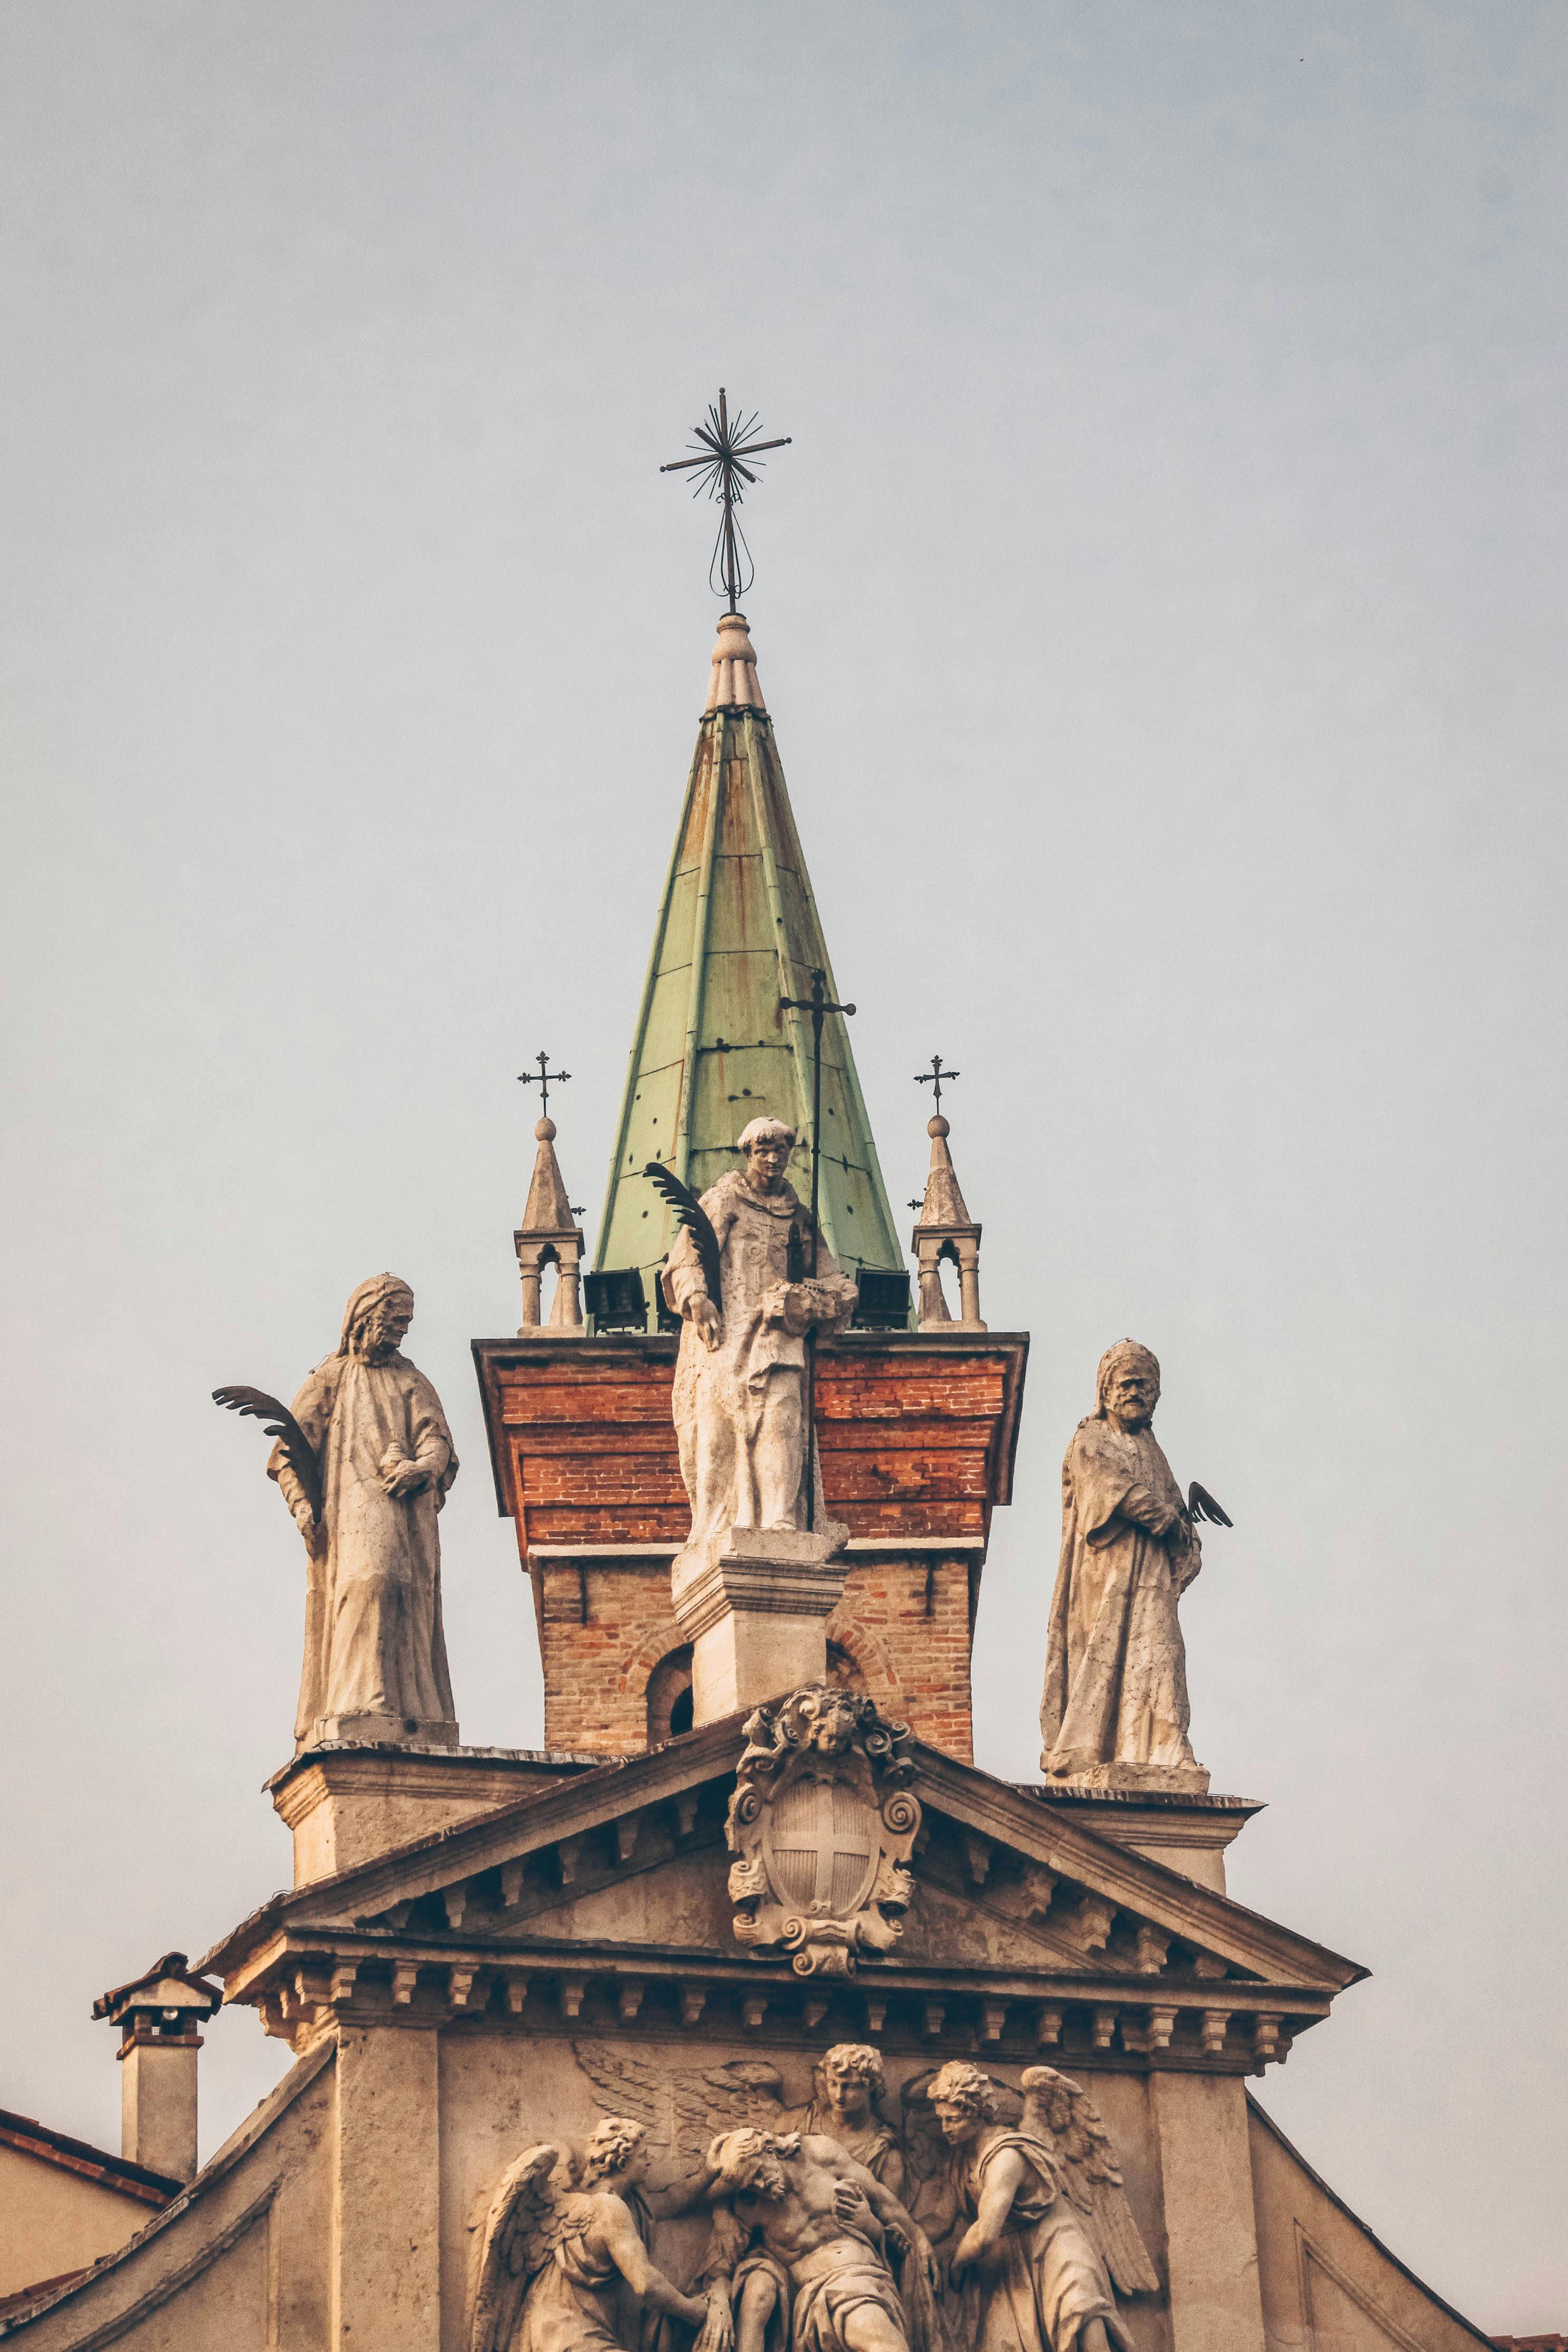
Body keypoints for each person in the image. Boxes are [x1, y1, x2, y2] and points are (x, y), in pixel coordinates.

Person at [270, 1273, 458, 1749]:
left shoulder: (411, 1380)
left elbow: (437, 1440)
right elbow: (288, 1454)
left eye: (406, 1325)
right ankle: (360, 1699)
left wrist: (422, 1469)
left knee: (402, 1592)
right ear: (366, 1317)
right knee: (367, 1582)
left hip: (405, 1512)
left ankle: (404, 1704)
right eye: (395, 1321)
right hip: (349, 1506)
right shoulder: (331, 1378)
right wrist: (302, 1509)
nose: (400, 1331)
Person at [663, 1119, 857, 1548]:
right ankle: (715, 1527)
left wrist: (808, 1302)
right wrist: (697, 1297)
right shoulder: (725, 1200)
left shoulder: (800, 1220)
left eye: (781, 1152)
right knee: (715, 1434)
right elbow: (688, 1257)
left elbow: (837, 1285)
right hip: (725, 1335)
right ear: (748, 1152)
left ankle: (781, 1521)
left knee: (782, 1422)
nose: (772, 1160)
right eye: (763, 1151)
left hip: (778, 1339)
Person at [1038, 1340, 1203, 1783]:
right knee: (1103, 1654)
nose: (1136, 1392)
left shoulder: (1154, 1451)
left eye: (1145, 1386)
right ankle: (1092, 1748)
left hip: (1152, 1578)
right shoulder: (1090, 1439)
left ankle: (1165, 1746)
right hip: (1105, 1575)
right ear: (1106, 1390)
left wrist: (1186, 1534)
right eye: (1127, 1383)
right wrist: (1163, 1518)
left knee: (1162, 1653)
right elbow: (1110, 1490)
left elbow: (1174, 1507)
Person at [924, 2065, 1132, 2352]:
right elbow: (941, 2219)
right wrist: (907, 2236)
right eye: (942, 2120)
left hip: (1055, 2248)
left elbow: (985, 2234)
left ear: (978, 2114)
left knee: (1079, 2316)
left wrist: (957, 2265)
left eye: (953, 2120)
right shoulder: (961, 2163)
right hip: (1014, 2262)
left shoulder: (1006, 2157)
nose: (945, 2128)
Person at [705, 2127, 938, 2352]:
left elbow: (881, 2199)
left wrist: (917, 2235)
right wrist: (718, 2301)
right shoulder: (749, 2206)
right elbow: (723, 2263)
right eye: (749, 2185)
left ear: (769, 2151)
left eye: (758, 2174)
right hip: (809, 2293)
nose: (759, 2187)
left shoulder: (821, 2153)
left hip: (855, 2279)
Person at [786, 2047, 906, 2200]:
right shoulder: (801, 2122)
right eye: (833, 2084)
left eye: (850, 2086)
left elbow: (891, 2213)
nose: (839, 2096)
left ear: (871, 2086)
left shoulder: (883, 2150)